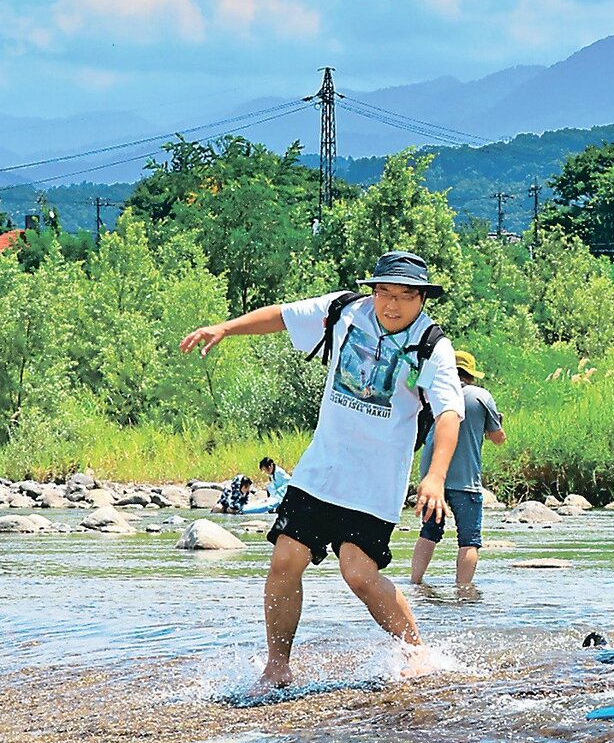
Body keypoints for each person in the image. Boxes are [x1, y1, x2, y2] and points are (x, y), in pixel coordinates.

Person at [180, 251, 465, 694]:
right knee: (284, 560)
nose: (392, 306)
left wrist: (435, 476)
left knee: (357, 572)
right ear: (373, 291)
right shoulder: (345, 312)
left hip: (375, 483)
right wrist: (226, 328)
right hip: (321, 470)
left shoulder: (432, 346)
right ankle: (277, 668)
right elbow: (283, 315)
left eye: (405, 297)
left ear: (422, 298)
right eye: (384, 293)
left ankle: (416, 653)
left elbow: (449, 413)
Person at [410, 352, 505, 589]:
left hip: (432, 478)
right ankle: (463, 590)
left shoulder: (434, 394)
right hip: (465, 479)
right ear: (470, 375)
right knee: (469, 539)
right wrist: (495, 422)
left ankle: (415, 583)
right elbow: (498, 438)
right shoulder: (480, 396)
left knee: (429, 531)